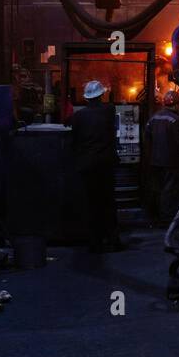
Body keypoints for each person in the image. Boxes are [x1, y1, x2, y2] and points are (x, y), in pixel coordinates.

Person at [68, 79, 121, 253]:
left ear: (87, 98)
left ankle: (95, 243)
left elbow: (73, 141)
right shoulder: (108, 111)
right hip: (105, 164)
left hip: (87, 165)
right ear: (101, 96)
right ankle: (113, 240)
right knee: (108, 202)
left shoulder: (78, 116)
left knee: (91, 204)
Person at [147, 89, 179, 227]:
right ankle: (167, 220)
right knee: (169, 191)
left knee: (157, 189)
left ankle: (155, 218)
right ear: (176, 104)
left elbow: (147, 138)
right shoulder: (176, 120)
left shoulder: (154, 117)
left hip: (155, 161)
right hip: (170, 161)